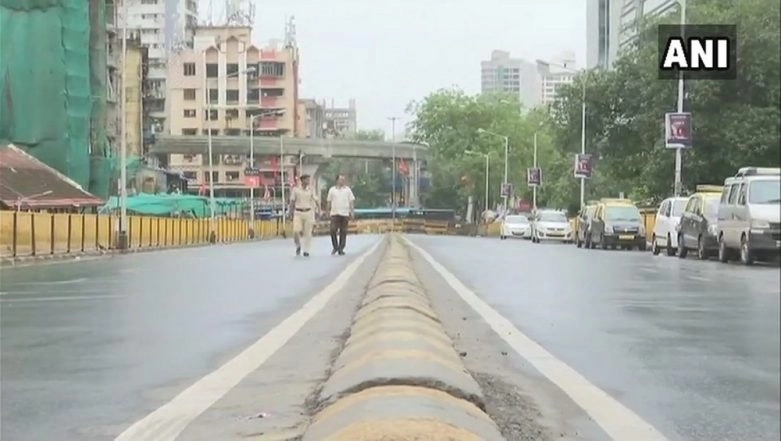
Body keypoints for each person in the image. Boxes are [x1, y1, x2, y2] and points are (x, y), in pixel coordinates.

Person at [289, 174, 319, 257]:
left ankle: (306, 250)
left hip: (308, 212)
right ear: (302, 180)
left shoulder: (311, 190)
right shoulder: (296, 189)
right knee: (296, 231)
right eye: (307, 180)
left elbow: (316, 199)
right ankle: (298, 245)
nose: (308, 181)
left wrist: (318, 210)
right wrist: (290, 212)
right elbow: (292, 201)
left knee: (308, 233)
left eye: (309, 180)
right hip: (298, 212)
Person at [327, 175, 355, 255]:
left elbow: (351, 201)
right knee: (332, 230)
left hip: (344, 213)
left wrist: (352, 212)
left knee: (343, 231)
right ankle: (335, 247)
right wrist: (327, 211)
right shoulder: (332, 190)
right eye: (341, 179)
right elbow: (329, 201)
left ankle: (341, 248)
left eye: (343, 180)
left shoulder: (347, 190)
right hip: (334, 213)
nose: (342, 181)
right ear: (337, 180)